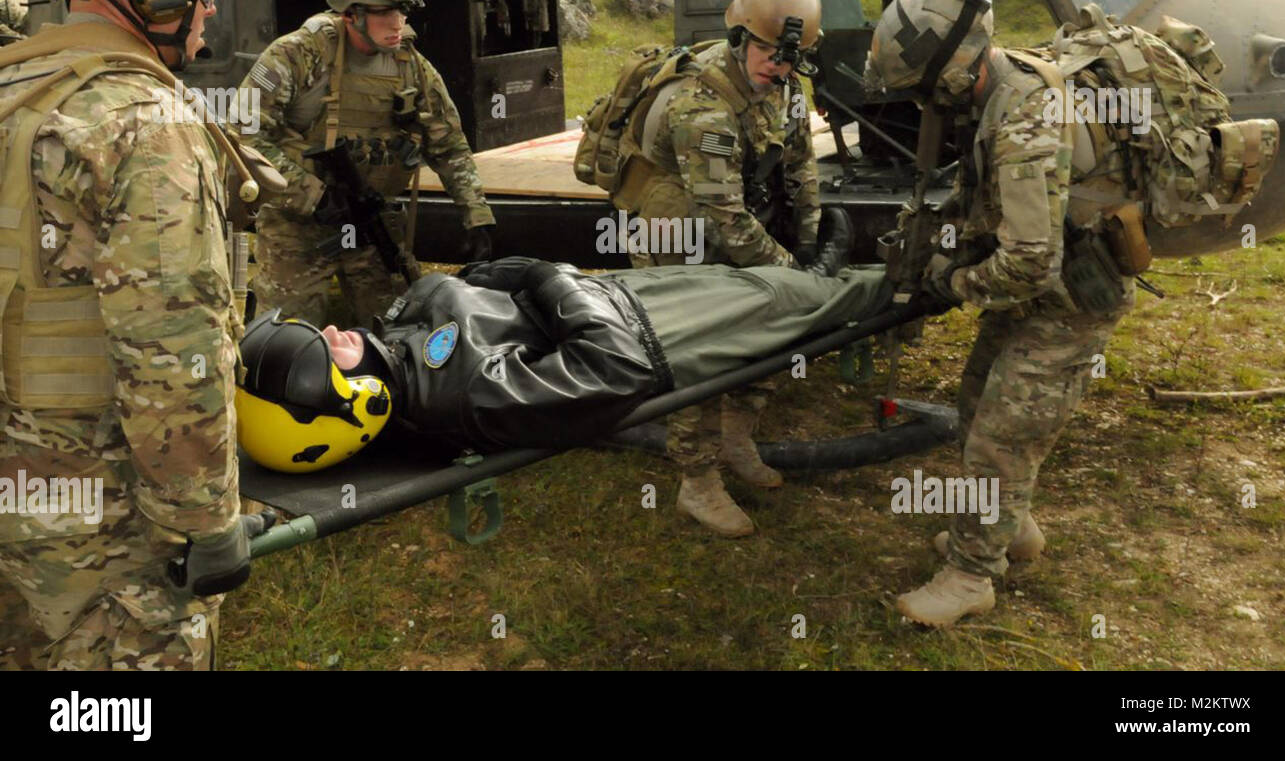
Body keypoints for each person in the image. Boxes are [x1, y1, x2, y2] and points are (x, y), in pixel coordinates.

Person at [0, 0, 254, 670]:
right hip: (103, 511)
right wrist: (203, 522)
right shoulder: (148, 123)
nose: (209, 12)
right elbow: (174, 353)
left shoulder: (13, 89)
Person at [864, 0, 1133, 627]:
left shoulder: (1025, 116)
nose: (920, 106)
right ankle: (1009, 526)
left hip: (1068, 301)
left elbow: (1030, 262)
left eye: (921, 91)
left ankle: (970, 575)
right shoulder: (994, 88)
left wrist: (952, 284)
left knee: (1001, 442)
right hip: (1037, 293)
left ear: (951, 74)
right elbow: (984, 202)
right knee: (977, 405)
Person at [234, 221, 878, 475]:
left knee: (765, 282)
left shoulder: (394, 349)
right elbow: (612, 368)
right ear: (352, 407)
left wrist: (523, 281)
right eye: (322, 354)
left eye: (311, 331)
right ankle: (909, 282)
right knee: (789, 302)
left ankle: (825, 277)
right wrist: (546, 279)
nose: (328, 333)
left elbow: (467, 297)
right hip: (650, 332)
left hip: (608, 298)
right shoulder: (466, 399)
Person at [605, 0, 825, 536]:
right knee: (698, 349)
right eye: (766, 52)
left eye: (788, 60)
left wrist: (809, 237)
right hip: (675, 227)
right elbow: (723, 220)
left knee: (772, 321)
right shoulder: (699, 106)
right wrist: (792, 274)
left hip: (731, 214)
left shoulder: (785, 87)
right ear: (739, 37)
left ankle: (734, 436)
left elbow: (801, 166)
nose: (775, 68)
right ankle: (697, 481)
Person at [241, 0, 495, 329]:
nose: (398, 23)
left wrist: (475, 214)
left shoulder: (411, 65)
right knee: (287, 340)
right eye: (384, 12)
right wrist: (310, 194)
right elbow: (244, 133)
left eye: (403, 11)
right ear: (351, 13)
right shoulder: (298, 54)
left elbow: (449, 144)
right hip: (298, 231)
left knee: (393, 334)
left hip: (372, 228)